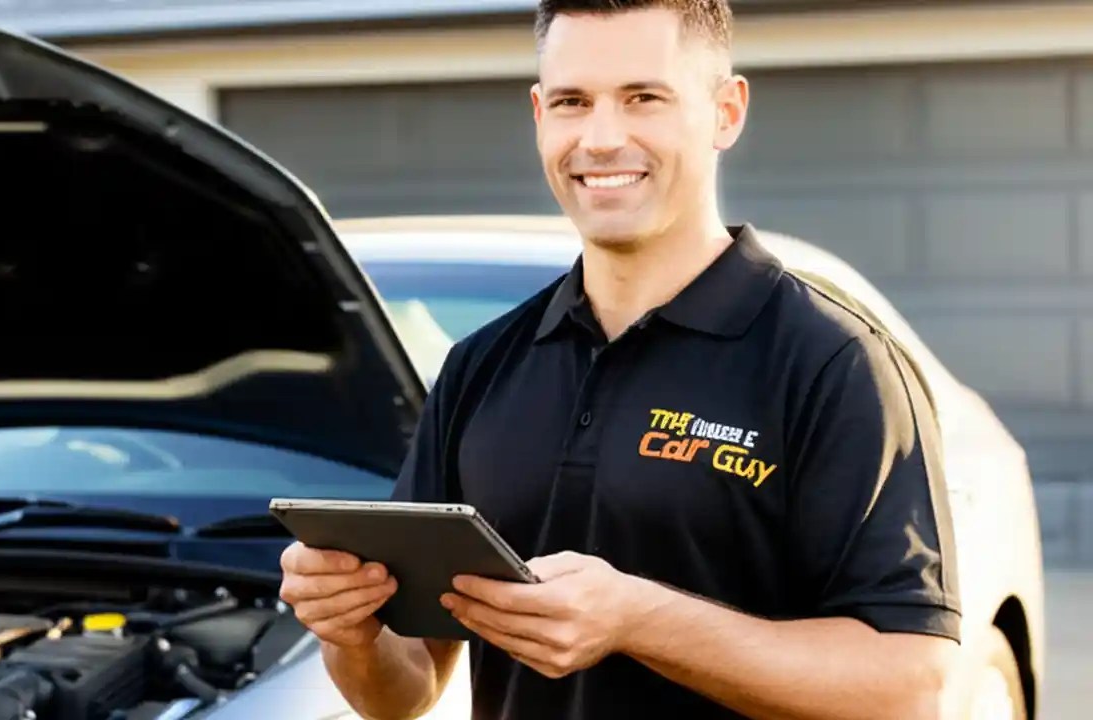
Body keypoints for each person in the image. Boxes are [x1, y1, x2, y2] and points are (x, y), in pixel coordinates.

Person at [278, 1, 961, 718]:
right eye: (573, 102)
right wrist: (350, 632)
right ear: (540, 115)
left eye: (644, 98)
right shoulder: (482, 367)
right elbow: (406, 694)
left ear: (726, 111)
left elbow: (909, 687)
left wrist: (639, 619)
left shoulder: (834, 363)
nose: (601, 139)